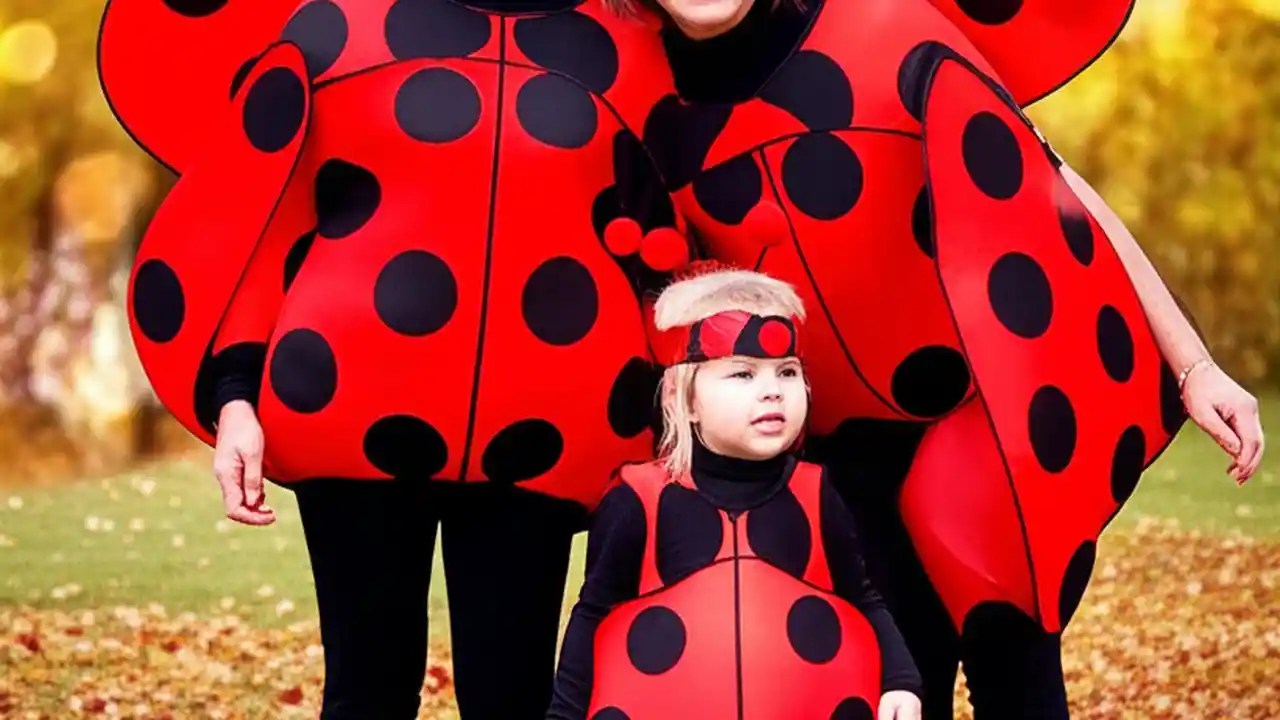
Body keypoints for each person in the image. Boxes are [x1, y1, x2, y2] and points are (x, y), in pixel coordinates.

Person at [604, 0, 1267, 717]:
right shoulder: (644, 102)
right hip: (827, 456)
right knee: (892, 690)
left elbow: (1055, 185)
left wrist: (1194, 366)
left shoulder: (886, 28)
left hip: (977, 426)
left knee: (1016, 678)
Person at [103, 0, 689, 717]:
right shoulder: (334, 27)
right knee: (367, 692)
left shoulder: (631, 47)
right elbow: (260, 221)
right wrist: (234, 397)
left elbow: (670, 245)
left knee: (511, 695)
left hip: (546, 423)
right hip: (350, 408)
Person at [547, 265, 924, 720]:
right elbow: (593, 617)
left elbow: (862, 597)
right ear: (682, 401)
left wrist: (901, 681)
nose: (772, 392)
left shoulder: (815, 492)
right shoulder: (639, 502)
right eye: (743, 375)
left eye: (786, 372)